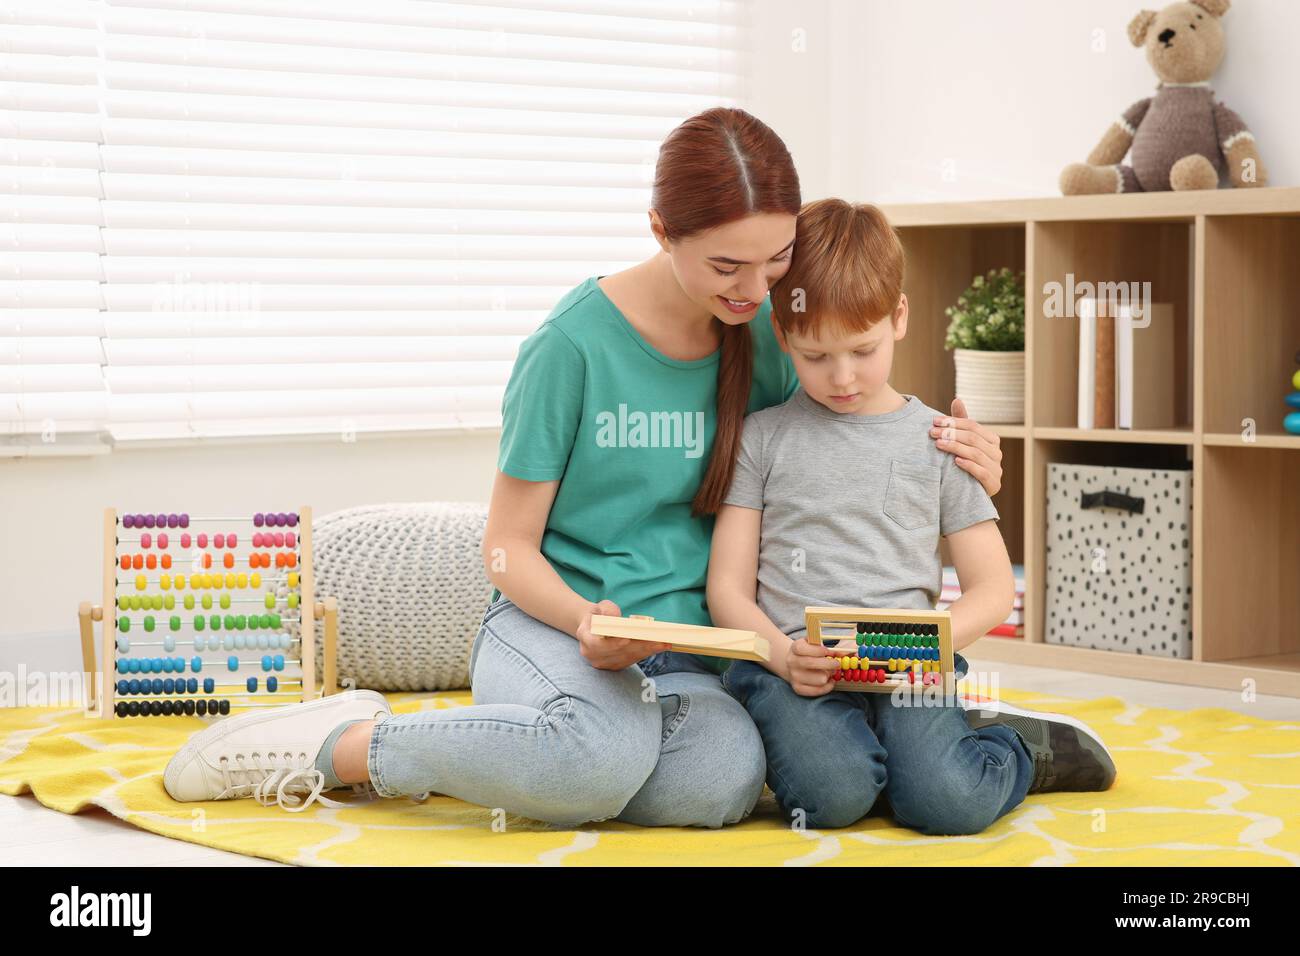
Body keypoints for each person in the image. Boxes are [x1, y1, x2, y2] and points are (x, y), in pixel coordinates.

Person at [162, 109, 1008, 825]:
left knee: (722, 783)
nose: (756, 290)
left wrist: (968, 457)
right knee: (599, 761)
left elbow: (847, 424)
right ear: (660, 231)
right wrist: (582, 622)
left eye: (776, 259)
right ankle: (346, 745)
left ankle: (539, 750)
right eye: (727, 266)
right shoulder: (569, 347)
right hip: (554, 627)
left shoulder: (773, 332)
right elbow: (507, 549)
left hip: (691, 653)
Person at [708, 199, 1117, 832]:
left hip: (912, 665)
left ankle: (1016, 747)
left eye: (862, 349)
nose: (842, 377)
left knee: (948, 803)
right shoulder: (761, 439)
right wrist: (783, 657)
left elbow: (992, 589)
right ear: (783, 336)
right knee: (832, 799)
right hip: (792, 669)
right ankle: (893, 757)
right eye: (815, 356)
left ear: (898, 318)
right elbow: (727, 590)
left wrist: (924, 648)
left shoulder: (941, 442)